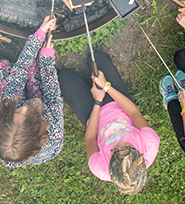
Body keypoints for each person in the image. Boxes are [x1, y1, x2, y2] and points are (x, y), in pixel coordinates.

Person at [58, 52, 159, 195]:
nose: (120, 144)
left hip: (93, 117)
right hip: (117, 103)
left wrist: (97, 102)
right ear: (141, 155)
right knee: (97, 57)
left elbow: (90, 138)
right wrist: (106, 87)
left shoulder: (99, 168)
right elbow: (134, 113)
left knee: (64, 77)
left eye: (115, 149)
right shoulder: (150, 143)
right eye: (127, 146)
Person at [0, 16, 64, 167]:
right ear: (35, 125)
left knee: (3, 67)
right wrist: (46, 60)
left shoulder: (9, 107)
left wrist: (40, 34)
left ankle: (28, 81)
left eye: (17, 113)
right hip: (40, 114)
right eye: (26, 115)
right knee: (35, 68)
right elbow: (52, 93)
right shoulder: (53, 126)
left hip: (29, 126)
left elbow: (19, 73)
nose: (24, 108)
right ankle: (35, 75)